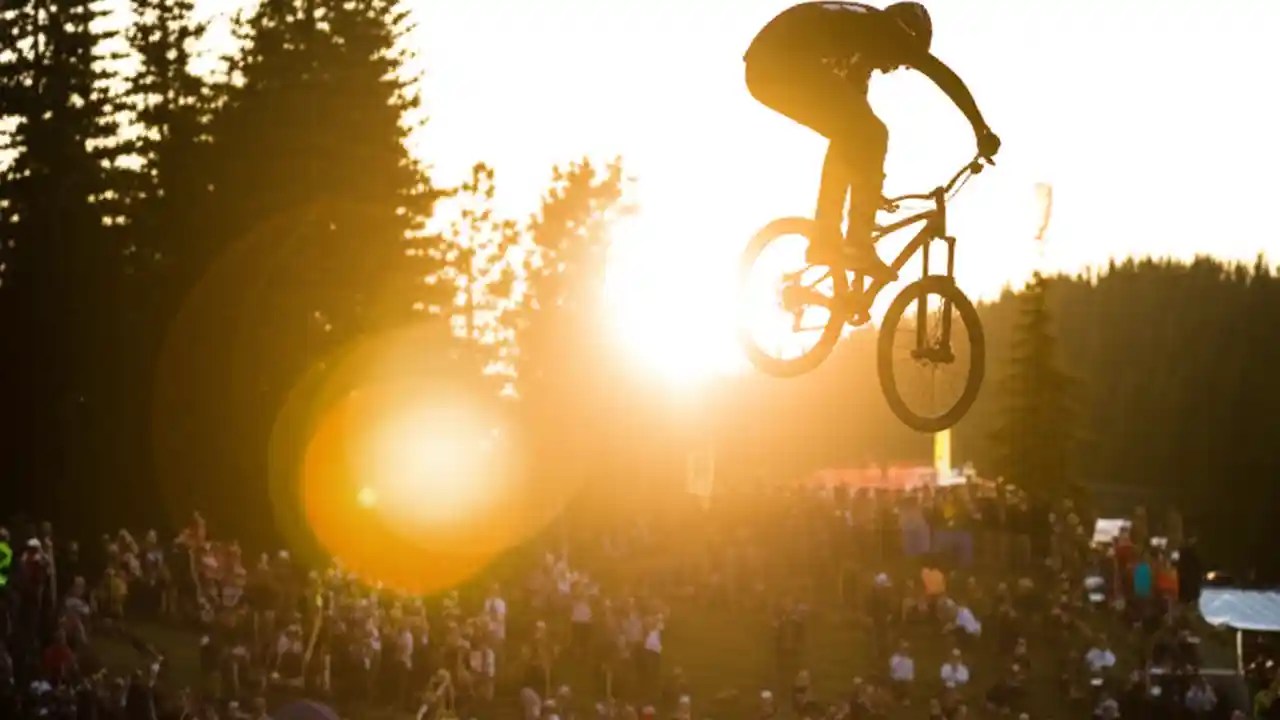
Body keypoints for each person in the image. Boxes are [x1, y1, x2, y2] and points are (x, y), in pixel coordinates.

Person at [744, 1, 1000, 276]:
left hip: (765, 68)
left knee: (850, 133)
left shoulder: (859, 50)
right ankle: (855, 246)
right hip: (779, 61)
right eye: (903, 60)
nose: (892, 68)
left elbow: (857, 138)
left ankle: (826, 239)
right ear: (909, 35)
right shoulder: (890, 30)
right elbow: (945, 77)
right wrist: (980, 129)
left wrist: (867, 184)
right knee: (872, 132)